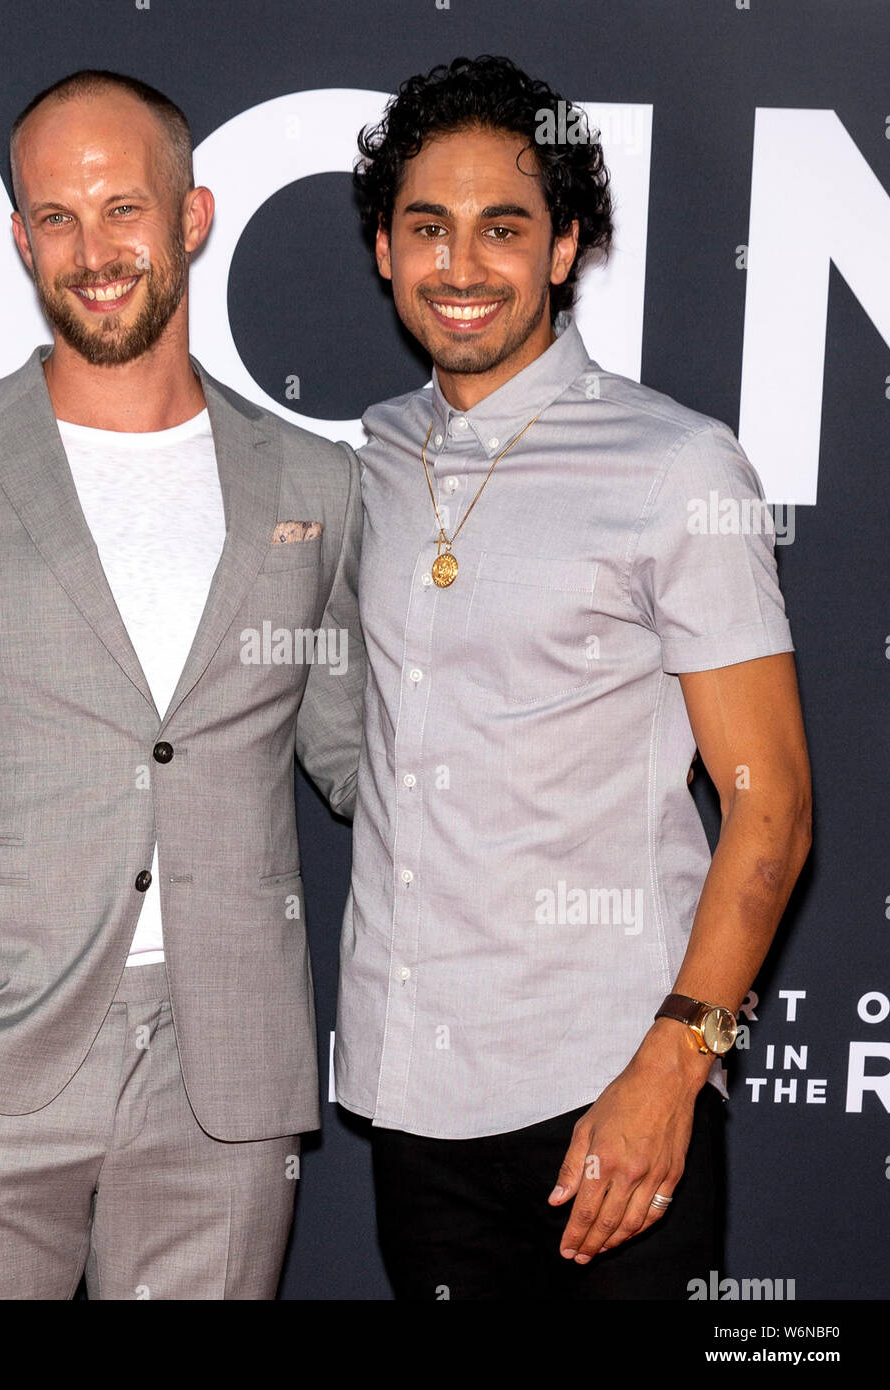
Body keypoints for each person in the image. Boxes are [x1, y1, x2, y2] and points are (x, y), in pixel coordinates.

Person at [0, 69, 365, 1300]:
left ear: (193, 216)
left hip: (225, 1082)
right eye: (55, 216)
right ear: (17, 239)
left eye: (123, 209)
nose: (91, 249)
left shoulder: (317, 487)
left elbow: (353, 759)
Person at [335, 54, 812, 1300]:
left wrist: (672, 1067)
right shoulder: (374, 454)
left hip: (609, 1093)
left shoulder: (676, 465)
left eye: (504, 228)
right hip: (411, 1093)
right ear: (384, 251)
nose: (460, 267)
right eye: (425, 228)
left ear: (564, 248)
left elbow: (769, 807)